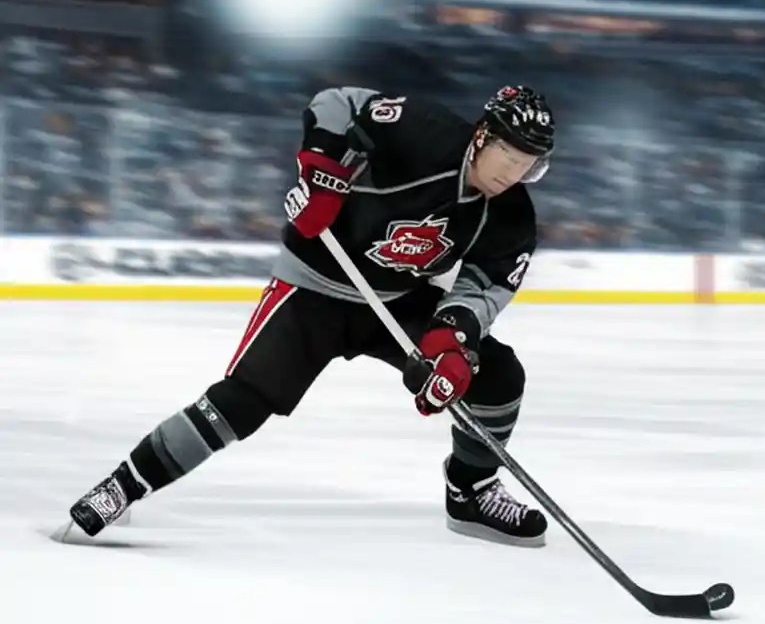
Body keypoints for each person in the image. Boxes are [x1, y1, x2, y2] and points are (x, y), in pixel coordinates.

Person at [55, 84, 556, 548]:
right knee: (243, 402)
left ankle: (469, 494)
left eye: (526, 165)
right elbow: (336, 103)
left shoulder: (510, 215)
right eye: (507, 157)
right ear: (482, 135)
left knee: (497, 376)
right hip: (314, 284)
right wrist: (323, 173)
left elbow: (486, 286)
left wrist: (452, 340)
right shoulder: (423, 129)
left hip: (395, 298)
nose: (511, 174)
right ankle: (124, 485)